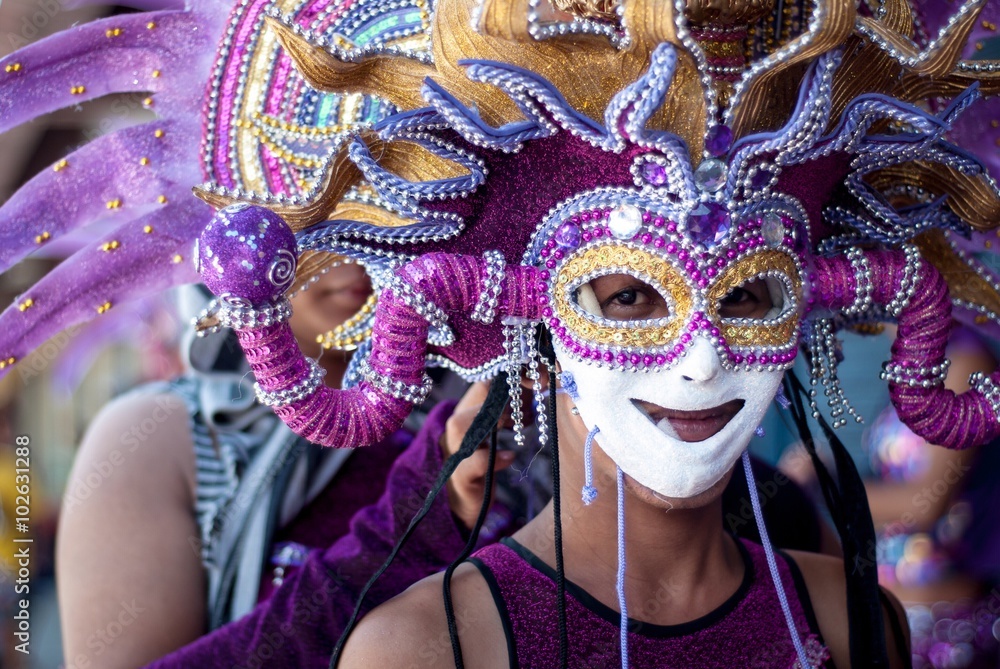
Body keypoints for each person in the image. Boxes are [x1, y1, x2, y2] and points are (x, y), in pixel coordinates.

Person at [56, 263, 516, 668]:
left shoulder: (498, 408)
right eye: (316, 218)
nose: (355, 253)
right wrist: (420, 517)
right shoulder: (164, 434)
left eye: (383, 208)